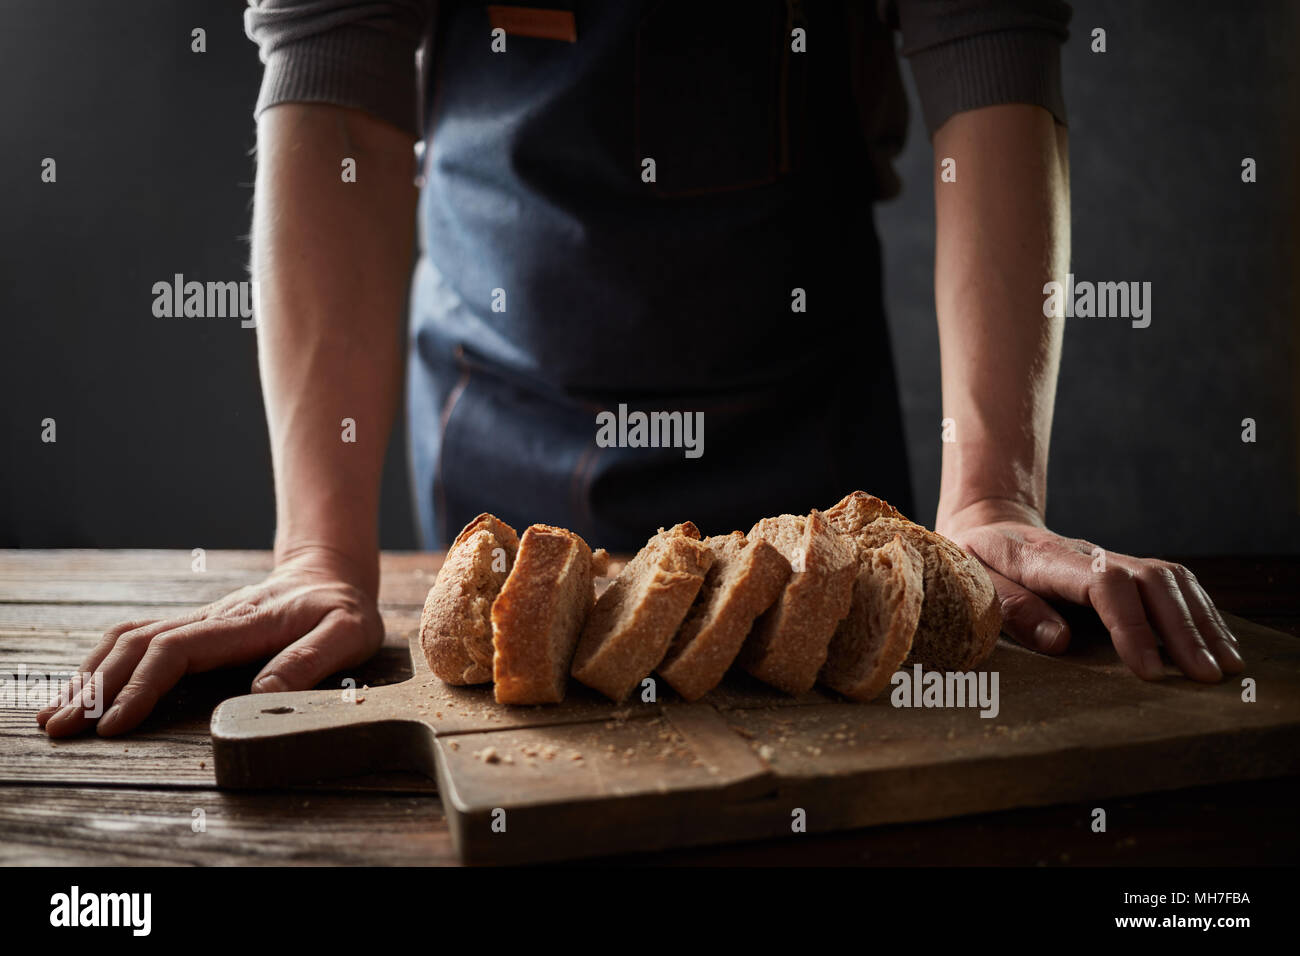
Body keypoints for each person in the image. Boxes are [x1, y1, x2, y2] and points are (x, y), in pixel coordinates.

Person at [38, 0, 1242, 739]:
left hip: (809, 404)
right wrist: (315, 550)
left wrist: (990, 495)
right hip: (499, 403)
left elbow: (986, 37)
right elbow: (332, 65)